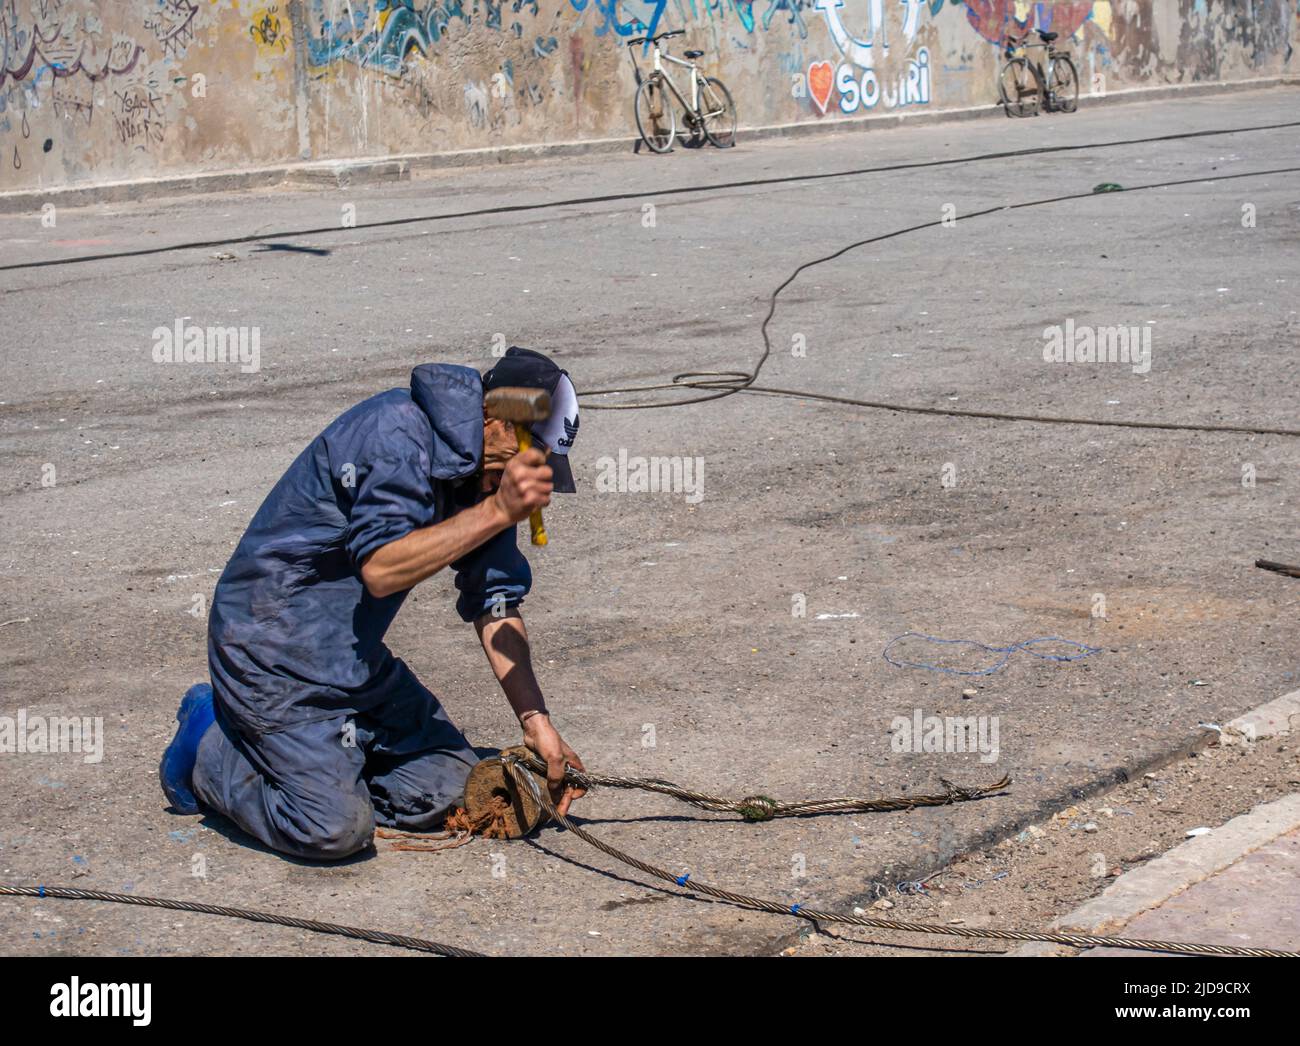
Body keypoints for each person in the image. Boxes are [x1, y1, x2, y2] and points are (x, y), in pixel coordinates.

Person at [159, 347, 586, 859]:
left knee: (459, 792)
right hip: (269, 651)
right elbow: (382, 571)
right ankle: (209, 737)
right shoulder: (397, 433)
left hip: (350, 657)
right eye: (530, 454)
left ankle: (329, 755)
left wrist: (535, 721)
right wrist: (498, 510)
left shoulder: (486, 476)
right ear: (494, 418)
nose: (530, 474)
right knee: (332, 829)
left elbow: (494, 603)